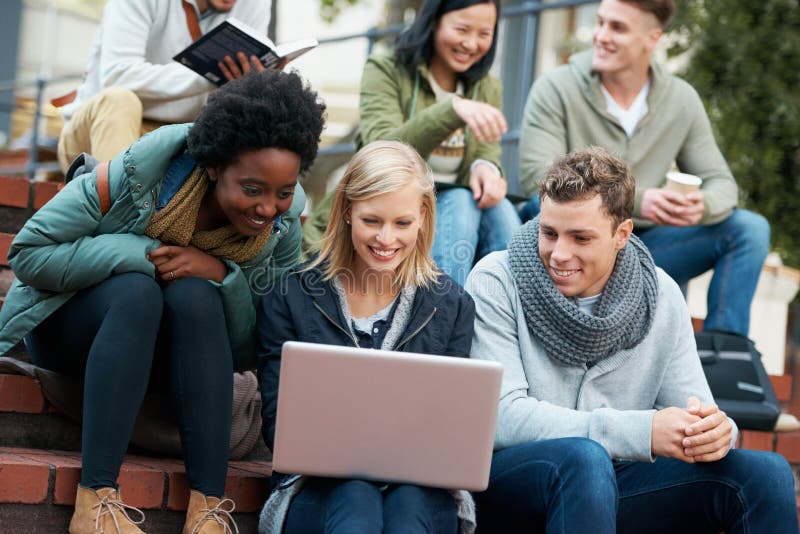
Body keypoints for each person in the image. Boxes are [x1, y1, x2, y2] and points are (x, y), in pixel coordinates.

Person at [0, 70, 325, 534]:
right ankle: (96, 501)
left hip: (166, 360)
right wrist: (141, 256)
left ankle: (208, 509)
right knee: (140, 290)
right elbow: (28, 253)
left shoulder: (281, 228)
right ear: (213, 166)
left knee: (194, 292)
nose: (268, 208)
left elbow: (257, 345)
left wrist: (223, 276)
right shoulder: (141, 170)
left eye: (284, 192)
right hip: (73, 329)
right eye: (252, 189)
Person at [465, 147, 798, 533]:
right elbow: (500, 418)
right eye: (549, 232)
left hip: (613, 484)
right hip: (513, 482)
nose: (558, 253)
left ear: (622, 234)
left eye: (581, 238)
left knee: (765, 474)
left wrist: (716, 432)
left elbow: (695, 410)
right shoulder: (496, 278)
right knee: (584, 459)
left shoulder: (661, 295)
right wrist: (642, 431)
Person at [257, 141, 477, 533]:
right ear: (346, 212)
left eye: (402, 223)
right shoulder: (290, 297)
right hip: (318, 487)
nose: (386, 239)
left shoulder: (452, 305)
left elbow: (450, 431)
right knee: (357, 496)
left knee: (408, 504)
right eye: (372, 221)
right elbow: (279, 428)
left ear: (424, 218)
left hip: (420, 490)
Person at [517, 0, 770, 337]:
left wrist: (700, 206)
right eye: (601, 22)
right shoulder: (556, 88)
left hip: (648, 246)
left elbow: (722, 184)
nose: (601, 36)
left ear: (653, 37)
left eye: (617, 28)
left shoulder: (681, 99)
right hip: (575, 243)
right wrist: (640, 200)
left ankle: (724, 355)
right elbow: (537, 175)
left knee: (749, 229)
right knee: (539, 208)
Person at [302, 0, 520, 286]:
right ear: (433, 22)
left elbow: (487, 148)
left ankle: (511, 318)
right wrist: (451, 111)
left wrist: (487, 167)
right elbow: (380, 150)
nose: (471, 43)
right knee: (460, 201)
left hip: (460, 211)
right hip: (397, 208)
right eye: (462, 29)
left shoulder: (487, 85)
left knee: (499, 206)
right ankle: (437, 313)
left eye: (484, 34)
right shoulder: (386, 68)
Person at [56, 0, 272, 173]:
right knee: (119, 100)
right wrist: (210, 74)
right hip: (97, 134)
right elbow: (117, 75)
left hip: (181, 140)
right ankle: (119, 214)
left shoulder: (255, 4)